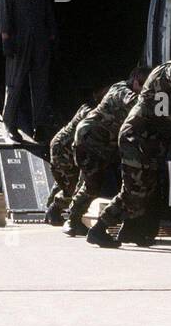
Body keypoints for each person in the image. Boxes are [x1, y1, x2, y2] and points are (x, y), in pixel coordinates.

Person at [88, 58, 171, 248]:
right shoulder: (160, 75)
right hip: (136, 141)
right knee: (134, 191)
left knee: (146, 189)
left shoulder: (164, 95)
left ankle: (131, 232)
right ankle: (98, 229)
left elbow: (169, 115)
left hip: (148, 143)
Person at [62, 65, 150, 237]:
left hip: (103, 144)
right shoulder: (121, 90)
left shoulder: (128, 89)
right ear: (133, 80)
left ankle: (73, 218)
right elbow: (136, 103)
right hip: (91, 140)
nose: (142, 90)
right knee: (91, 185)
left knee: (91, 183)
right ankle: (71, 219)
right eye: (142, 85)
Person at [0, 0, 57, 143]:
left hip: (39, 43)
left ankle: (39, 126)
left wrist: (52, 36)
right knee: (15, 85)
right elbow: (4, 14)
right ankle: (9, 123)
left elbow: (48, 14)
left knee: (40, 85)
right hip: (19, 43)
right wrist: (6, 38)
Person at [44, 95, 98, 226]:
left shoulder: (87, 107)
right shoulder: (89, 112)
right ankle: (54, 209)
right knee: (71, 186)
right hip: (64, 148)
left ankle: (50, 211)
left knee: (64, 181)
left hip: (63, 146)